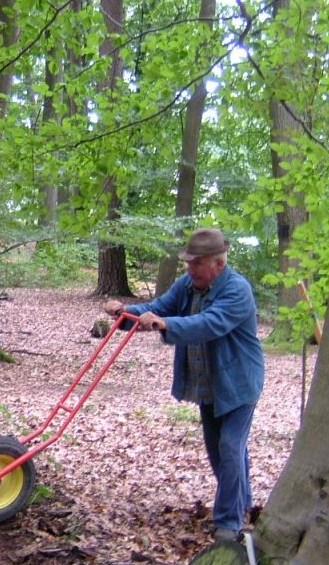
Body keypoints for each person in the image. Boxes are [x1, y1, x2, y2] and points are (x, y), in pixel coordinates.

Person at [103, 228, 264, 543]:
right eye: (189, 263)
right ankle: (242, 504)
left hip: (239, 383)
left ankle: (229, 525)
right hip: (208, 384)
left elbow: (210, 323)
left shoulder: (236, 290)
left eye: (197, 263)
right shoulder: (187, 286)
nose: (190, 269)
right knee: (223, 452)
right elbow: (160, 306)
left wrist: (166, 325)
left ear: (218, 263)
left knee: (231, 447)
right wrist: (126, 313)